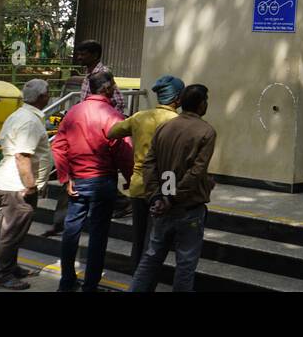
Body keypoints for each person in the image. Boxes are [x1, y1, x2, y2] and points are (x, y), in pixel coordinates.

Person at [129, 84, 217, 293]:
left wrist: (158, 196)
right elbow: (195, 172)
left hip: (162, 205)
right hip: (187, 208)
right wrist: (173, 198)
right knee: (185, 263)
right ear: (200, 104)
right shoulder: (206, 131)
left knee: (150, 258)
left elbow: (149, 164)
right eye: (206, 100)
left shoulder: (165, 127)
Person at [51, 70, 133, 292]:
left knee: (71, 231)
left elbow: (58, 147)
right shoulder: (113, 116)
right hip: (103, 182)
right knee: (98, 235)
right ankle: (90, 286)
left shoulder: (73, 113)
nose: (115, 89)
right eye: (114, 86)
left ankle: (66, 283)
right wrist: (129, 178)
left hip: (77, 181)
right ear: (106, 89)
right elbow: (123, 151)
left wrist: (65, 177)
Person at [108, 74, 184, 275]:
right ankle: (145, 282)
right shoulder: (179, 122)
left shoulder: (140, 117)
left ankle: (136, 277)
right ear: (178, 99)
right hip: (162, 187)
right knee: (155, 241)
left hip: (138, 185)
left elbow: (111, 132)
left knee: (139, 238)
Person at [0, 78, 53, 290]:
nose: (50, 96)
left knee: (14, 231)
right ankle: (3, 275)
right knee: (12, 232)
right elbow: (22, 156)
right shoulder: (29, 121)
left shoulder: (22, 115)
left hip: (14, 182)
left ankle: (11, 267)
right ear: (42, 97)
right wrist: (31, 185)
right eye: (48, 93)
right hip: (18, 185)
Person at [75, 39, 126, 113]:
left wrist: (106, 120)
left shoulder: (101, 74)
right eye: (78, 54)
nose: (79, 57)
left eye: (83, 54)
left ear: (95, 55)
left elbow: (119, 103)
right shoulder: (90, 73)